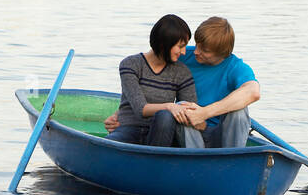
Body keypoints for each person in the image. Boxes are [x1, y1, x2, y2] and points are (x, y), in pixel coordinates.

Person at [104, 14, 202, 147]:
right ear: (164, 44)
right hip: (129, 129)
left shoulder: (182, 72)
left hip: (163, 132)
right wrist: (169, 106)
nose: (184, 52)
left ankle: (156, 157)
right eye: (180, 46)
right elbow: (140, 109)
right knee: (107, 144)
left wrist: (182, 111)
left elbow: (191, 111)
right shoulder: (130, 64)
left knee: (165, 116)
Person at [179, 17, 261, 148]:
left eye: (204, 50)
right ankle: (196, 157)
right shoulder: (184, 55)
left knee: (239, 112)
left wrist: (204, 113)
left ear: (223, 53)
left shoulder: (235, 66)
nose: (196, 52)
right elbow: (153, 58)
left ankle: (232, 157)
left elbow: (253, 92)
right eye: (196, 45)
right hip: (190, 130)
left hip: (221, 133)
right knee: (182, 107)